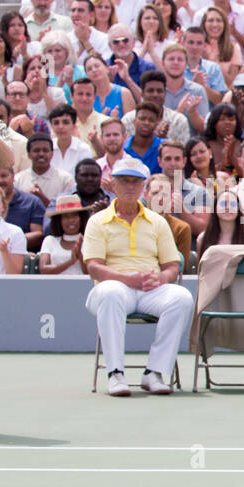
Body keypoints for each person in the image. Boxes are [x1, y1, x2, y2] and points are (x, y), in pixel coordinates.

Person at [83, 156, 194, 395]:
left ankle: (154, 372)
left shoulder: (157, 222)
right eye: (124, 181)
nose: (130, 187)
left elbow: (172, 266)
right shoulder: (97, 221)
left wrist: (161, 279)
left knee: (182, 297)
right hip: (114, 286)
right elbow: (93, 267)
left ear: (143, 186)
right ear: (113, 184)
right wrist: (126, 279)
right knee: (111, 292)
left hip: (150, 288)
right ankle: (115, 373)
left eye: (135, 182)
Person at [39, 194, 91, 275]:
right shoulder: (50, 241)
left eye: (74, 216)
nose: (71, 220)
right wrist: (71, 261)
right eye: (66, 217)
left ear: (81, 218)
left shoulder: (90, 240)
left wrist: (80, 256)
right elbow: (43, 269)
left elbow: (92, 272)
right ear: (59, 220)